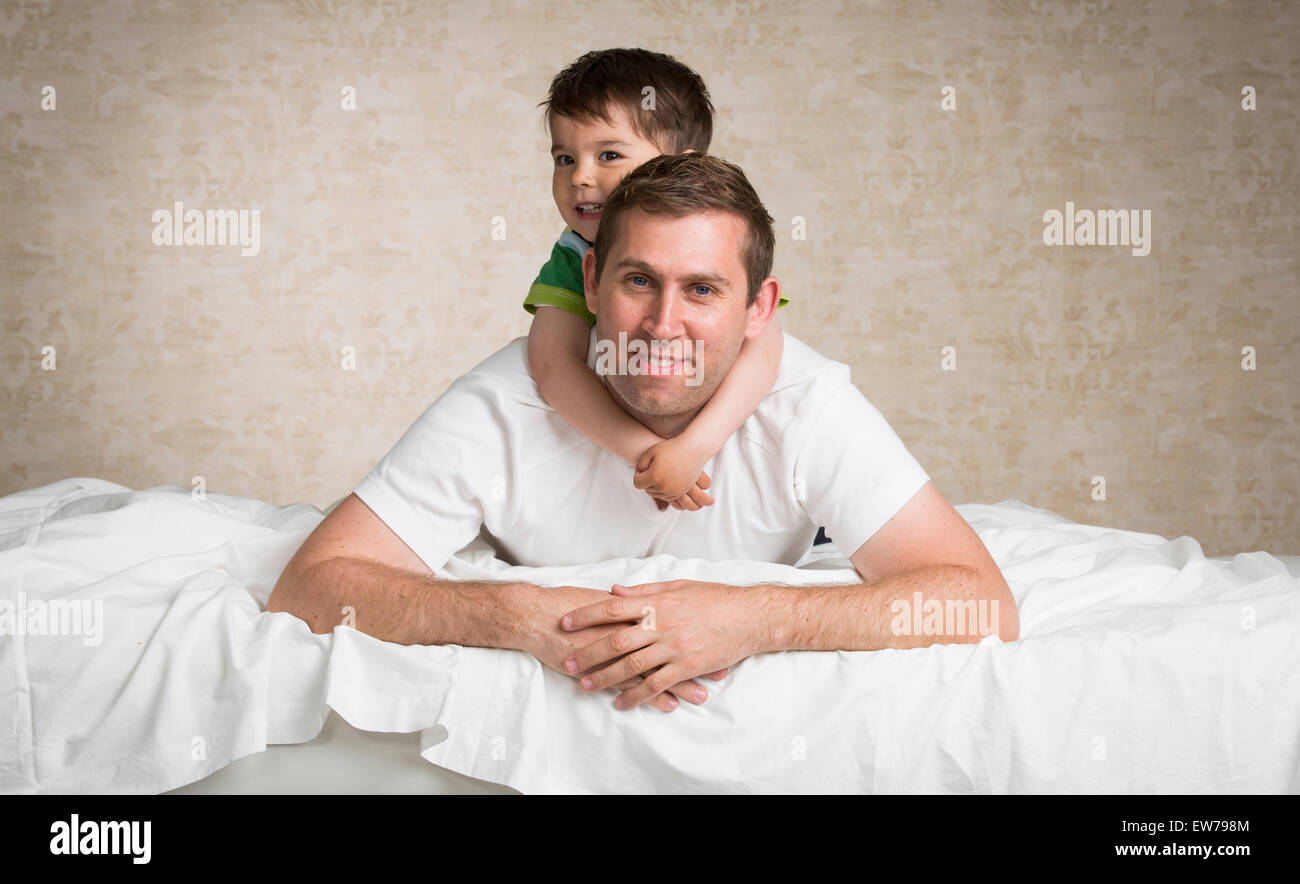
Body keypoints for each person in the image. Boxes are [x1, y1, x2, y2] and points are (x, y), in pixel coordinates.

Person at [266, 153, 1020, 716]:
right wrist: (521, 616)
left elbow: (980, 602)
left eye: (701, 289)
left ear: (760, 309)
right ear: (589, 282)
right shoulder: (499, 404)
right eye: (637, 281)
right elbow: (312, 584)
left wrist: (751, 616)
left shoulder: (808, 402)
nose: (663, 325)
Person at [525, 48, 788, 510]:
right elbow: (552, 366)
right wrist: (646, 454)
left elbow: (764, 353)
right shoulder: (572, 255)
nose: (580, 177)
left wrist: (693, 449)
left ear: (681, 166)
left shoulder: (720, 242)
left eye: (608, 154)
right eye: (564, 158)